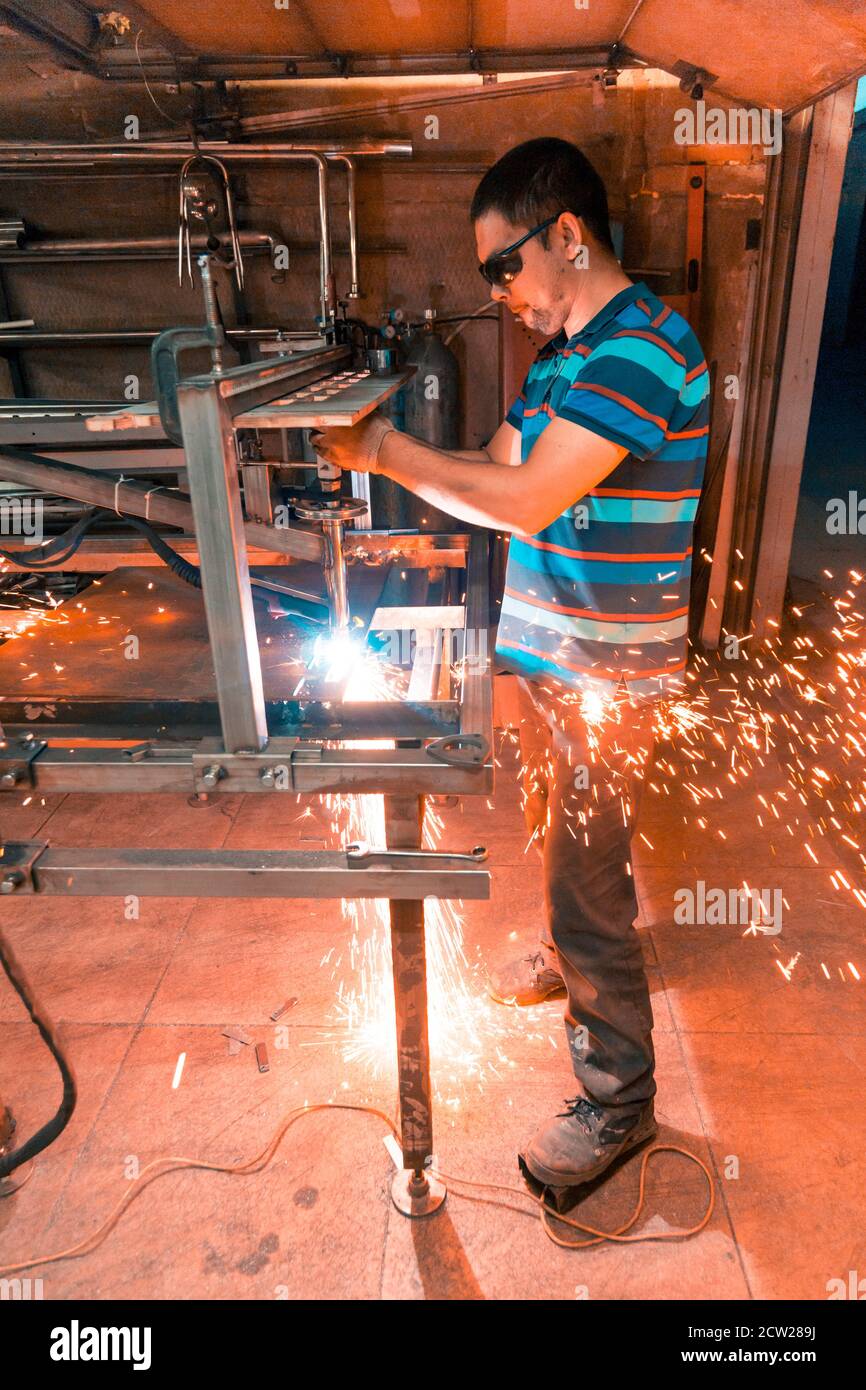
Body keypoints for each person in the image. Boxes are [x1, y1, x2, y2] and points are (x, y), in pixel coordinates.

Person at [311, 136, 709, 1191]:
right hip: (548, 657)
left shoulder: (644, 349)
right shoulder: (560, 360)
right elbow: (492, 467)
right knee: (559, 837)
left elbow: (525, 500)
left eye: (504, 268)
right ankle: (571, 960)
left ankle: (617, 1099)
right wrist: (387, 450)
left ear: (565, 236)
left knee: (586, 880)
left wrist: (387, 455)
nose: (498, 294)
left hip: (606, 673)